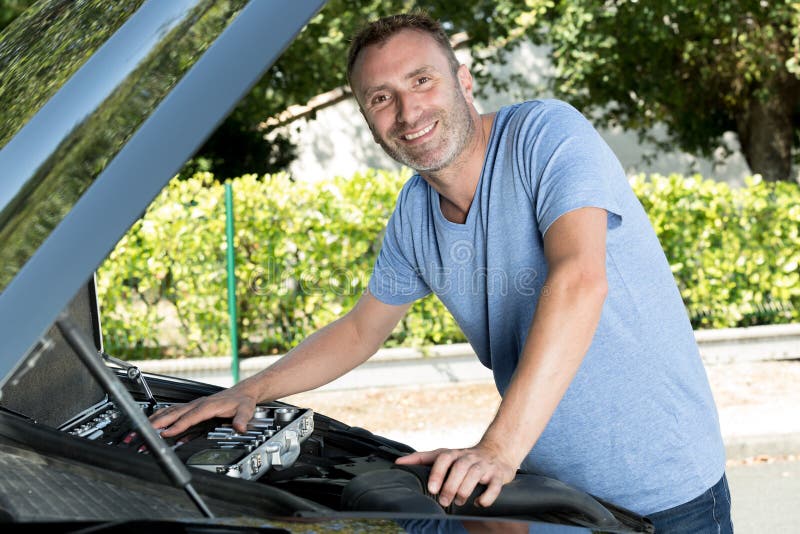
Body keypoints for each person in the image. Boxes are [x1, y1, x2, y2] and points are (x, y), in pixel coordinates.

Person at [151, 12, 732, 532]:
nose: (407, 112)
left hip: (667, 497)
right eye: (380, 98)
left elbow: (579, 277)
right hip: (552, 498)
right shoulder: (414, 215)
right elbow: (359, 331)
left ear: (464, 79)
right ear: (368, 119)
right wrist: (248, 390)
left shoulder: (544, 135)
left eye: (421, 81)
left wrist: (498, 450)